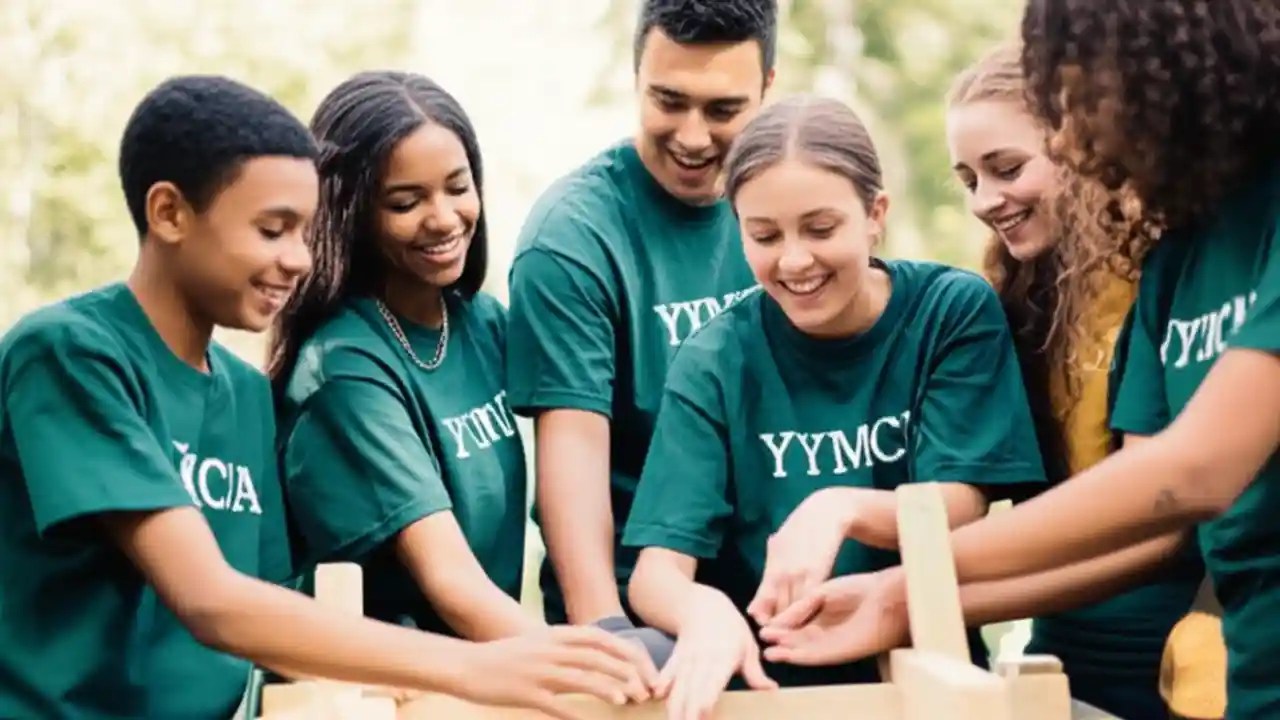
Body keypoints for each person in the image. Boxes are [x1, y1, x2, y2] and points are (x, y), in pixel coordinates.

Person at [0, 74, 656, 720]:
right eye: (272, 230)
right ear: (170, 213)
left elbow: (276, 618)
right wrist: (474, 667)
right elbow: (211, 601)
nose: (300, 259)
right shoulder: (70, 353)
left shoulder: (245, 395)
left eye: (304, 231)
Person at [758, 2, 1280, 717]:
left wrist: (921, 574)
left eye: (1088, 103)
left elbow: (1190, 476)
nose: (1081, 140)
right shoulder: (1181, 257)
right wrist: (903, 596)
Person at [619, 94, 1046, 720]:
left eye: (821, 229)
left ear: (875, 215)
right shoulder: (714, 358)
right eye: (764, 235)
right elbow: (656, 571)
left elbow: (964, 501)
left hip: (922, 673)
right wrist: (701, 610)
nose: (794, 260)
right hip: (767, 690)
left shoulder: (949, 310)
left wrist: (840, 509)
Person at [945, 43, 1205, 719]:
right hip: (1060, 661)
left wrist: (932, 588)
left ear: (1083, 146)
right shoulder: (1012, 306)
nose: (985, 200)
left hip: (1189, 662)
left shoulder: (1174, 273)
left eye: (1007, 168)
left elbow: (1164, 523)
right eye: (969, 180)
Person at [504, 0, 777, 638]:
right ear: (636, 79)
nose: (693, 136)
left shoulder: (787, 200)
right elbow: (572, 452)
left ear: (768, 87)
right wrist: (608, 632)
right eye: (669, 101)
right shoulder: (573, 236)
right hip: (643, 614)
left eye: (723, 110)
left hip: (778, 604)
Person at [267, 71, 554, 650]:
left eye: (458, 187)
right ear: (349, 211)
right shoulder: (343, 369)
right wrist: (586, 665)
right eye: (406, 202)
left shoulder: (484, 323)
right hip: (390, 678)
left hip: (487, 665)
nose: (444, 218)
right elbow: (451, 584)